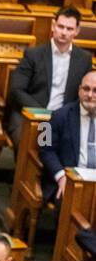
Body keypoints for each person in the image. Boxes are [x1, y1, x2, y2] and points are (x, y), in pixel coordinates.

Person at [7, 8, 91, 145]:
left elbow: (84, 94)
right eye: (60, 27)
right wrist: (43, 113)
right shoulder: (33, 54)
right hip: (32, 115)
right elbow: (16, 90)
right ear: (53, 26)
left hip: (65, 118)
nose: (64, 32)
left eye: (69, 29)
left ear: (77, 31)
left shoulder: (84, 59)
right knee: (39, 145)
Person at [38, 69, 96, 203]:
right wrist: (61, 176)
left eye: (95, 91)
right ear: (79, 90)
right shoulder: (57, 115)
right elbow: (45, 150)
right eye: (86, 89)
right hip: (70, 180)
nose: (90, 95)